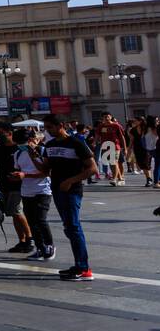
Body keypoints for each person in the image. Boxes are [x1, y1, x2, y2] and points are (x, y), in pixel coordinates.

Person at [41, 115, 97, 281]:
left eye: (50, 127)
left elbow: (92, 168)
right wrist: (31, 155)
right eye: (46, 127)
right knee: (68, 227)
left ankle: (83, 267)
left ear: (61, 125)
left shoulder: (76, 143)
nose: (48, 130)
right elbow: (45, 169)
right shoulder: (49, 145)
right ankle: (79, 265)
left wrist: (70, 181)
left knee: (73, 226)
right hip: (57, 190)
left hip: (72, 190)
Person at [0, 122, 33, 253]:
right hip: (4, 184)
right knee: (13, 213)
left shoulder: (19, 147)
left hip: (19, 184)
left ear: (10, 133)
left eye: (0, 133)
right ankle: (21, 241)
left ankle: (30, 239)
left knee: (17, 211)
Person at [13, 127, 55, 261]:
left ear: (31, 140)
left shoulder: (42, 151)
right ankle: (40, 248)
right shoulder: (18, 154)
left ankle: (49, 246)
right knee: (32, 222)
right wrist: (16, 176)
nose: (20, 146)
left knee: (41, 220)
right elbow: (19, 170)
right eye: (18, 143)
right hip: (26, 191)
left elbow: (46, 173)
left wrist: (25, 175)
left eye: (22, 143)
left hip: (42, 190)